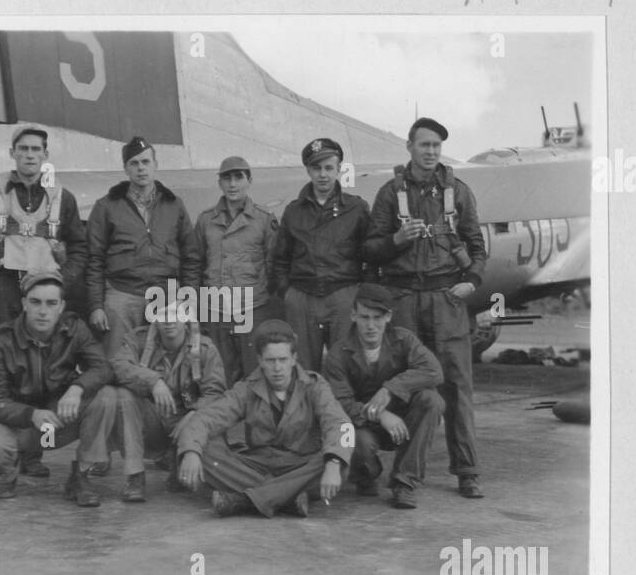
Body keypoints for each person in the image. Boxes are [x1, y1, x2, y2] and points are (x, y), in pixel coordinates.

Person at [363, 117, 489, 499]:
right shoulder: (389, 194)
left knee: (456, 388)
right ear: (409, 147)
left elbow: (477, 247)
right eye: (424, 145)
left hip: (446, 300)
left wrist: (473, 281)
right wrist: (397, 240)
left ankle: (467, 471)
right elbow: (370, 249)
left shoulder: (459, 193)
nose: (431, 152)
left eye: (436, 145)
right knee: (409, 389)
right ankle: (405, 478)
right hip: (403, 301)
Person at [0, 126, 87, 486]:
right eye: (23, 149)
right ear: (12, 153)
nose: (30, 155)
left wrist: (65, 280)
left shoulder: (64, 198)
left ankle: (31, 455)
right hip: (2, 288)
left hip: (43, 291)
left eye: (37, 150)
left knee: (40, 369)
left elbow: (79, 247)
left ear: (46, 156)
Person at [85, 135, 201, 473]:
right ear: (125, 168)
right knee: (115, 370)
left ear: (155, 164)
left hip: (165, 298)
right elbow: (94, 260)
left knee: (166, 370)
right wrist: (95, 304)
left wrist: (189, 299)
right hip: (122, 295)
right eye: (134, 163)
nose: (140, 169)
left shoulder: (173, 204)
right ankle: (101, 452)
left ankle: (164, 445)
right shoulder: (107, 206)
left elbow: (191, 257)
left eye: (146, 162)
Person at [175, 320, 352, 518]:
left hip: (300, 464)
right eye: (270, 360)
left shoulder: (314, 387)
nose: (277, 368)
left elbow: (340, 424)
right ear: (260, 360)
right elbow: (206, 418)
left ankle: (244, 501)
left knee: (339, 463)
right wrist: (191, 451)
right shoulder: (247, 388)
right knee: (205, 451)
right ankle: (287, 498)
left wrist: (334, 463)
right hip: (257, 465)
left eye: (283, 360)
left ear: (294, 359)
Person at [0, 270, 115, 507]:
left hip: (60, 418)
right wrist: (31, 414)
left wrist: (77, 388)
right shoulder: (0, 340)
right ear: (24, 303)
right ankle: (7, 474)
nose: (43, 310)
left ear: (61, 306)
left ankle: (81, 476)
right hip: (22, 425)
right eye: (35, 302)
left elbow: (102, 368)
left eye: (51, 303)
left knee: (107, 397)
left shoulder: (75, 328)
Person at [322, 284, 445, 509]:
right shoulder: (337, 354)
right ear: (353, 315)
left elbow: (434, 371)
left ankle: (405, 482)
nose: (371, 326)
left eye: (377, 318)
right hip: (363, 426)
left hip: (402, 423)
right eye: (364, 317)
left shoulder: (404, 340)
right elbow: (340, 404)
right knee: (356, 440)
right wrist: (380, 415)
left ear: (389, 316)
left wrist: (389, 389)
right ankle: (365, 474)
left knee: (431, 400)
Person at [102, 302, 226, 501]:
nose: (168, 321)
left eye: (175, 314)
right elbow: (118, 365)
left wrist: (194, 414)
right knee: (123, 396)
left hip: (187, 425)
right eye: (162, 314)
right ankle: (135, 475)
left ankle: (176, 460)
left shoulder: (204, 348)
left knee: (186, 485)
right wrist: (153, 381)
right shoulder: (138, 340)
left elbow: (217, 394)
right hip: (153, 422)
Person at [271, 137, 372, 374]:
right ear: (308, 170)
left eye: (329, 168)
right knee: (303, 369)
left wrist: (360, 293)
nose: (323, 175)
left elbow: (370, 253)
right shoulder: (294, 211)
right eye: (316, 168)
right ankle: (306, 411)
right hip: (302, 298)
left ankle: (343, 411)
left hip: (342, 296)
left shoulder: (356, 208)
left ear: (339, 169)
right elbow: (280, 258)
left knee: (345, 365)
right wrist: (288, 294)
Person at [193, 155, 281, 383]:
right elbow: (197, 264)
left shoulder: (263, 220)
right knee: (220, 375)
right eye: (227, 178)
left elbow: (273, 265)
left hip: (252, 309)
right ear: (219, 183)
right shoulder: (205, 221)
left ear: (249, 180)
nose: (232, 184)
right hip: (216, 309)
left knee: (256, 373)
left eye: (238, 177)